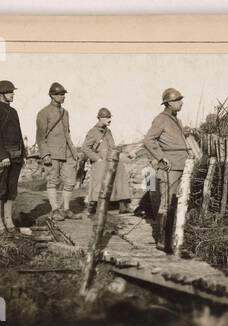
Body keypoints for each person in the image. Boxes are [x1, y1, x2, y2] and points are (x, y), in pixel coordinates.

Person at [142, 87, 191, 252]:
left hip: (181, 165)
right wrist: (161, 157)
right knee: (167, 203)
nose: (181, 103)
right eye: (177, 100)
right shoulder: (161, 119)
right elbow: (148, 140)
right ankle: (163, 240)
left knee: (177, 203)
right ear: (169, 103)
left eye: (180, 100)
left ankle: (172, 238)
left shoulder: (176, 120)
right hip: (170, 168)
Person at [0, 80, 32, 235]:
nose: (13, 94)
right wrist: (2, 155)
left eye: (13, 91)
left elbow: (18, 135)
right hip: (3, 158)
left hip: (16, 158)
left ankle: (9, 222)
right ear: (0, 94)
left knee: (11, 190)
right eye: (10, 92)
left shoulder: (13, 112)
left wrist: (23, 154)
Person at [35, 82, 78, 220]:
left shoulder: (66, 113)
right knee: (52, 181)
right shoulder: (43, 113)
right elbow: (40, 136)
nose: (63, 96)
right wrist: (45, 154)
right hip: (52, 153)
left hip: (67, 152)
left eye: (63, 94)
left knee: (70, 181)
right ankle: (54, 210)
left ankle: (65, 209)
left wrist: (74, 151)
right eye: (60, 94)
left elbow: (67, 133)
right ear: (52, 96)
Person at [80, 108, 132, 217]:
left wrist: (121, 155)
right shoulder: (92, 132)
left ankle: (123, 204)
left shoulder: (108, 131)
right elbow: (85, 148)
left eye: (110, 117)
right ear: (100, 118)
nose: (110, 119)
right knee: (99, 179)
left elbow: (112, 147)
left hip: (110, 159)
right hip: (100, 161)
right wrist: (96, 158)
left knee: (121, 171)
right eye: (107, 117)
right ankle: (92, 205)